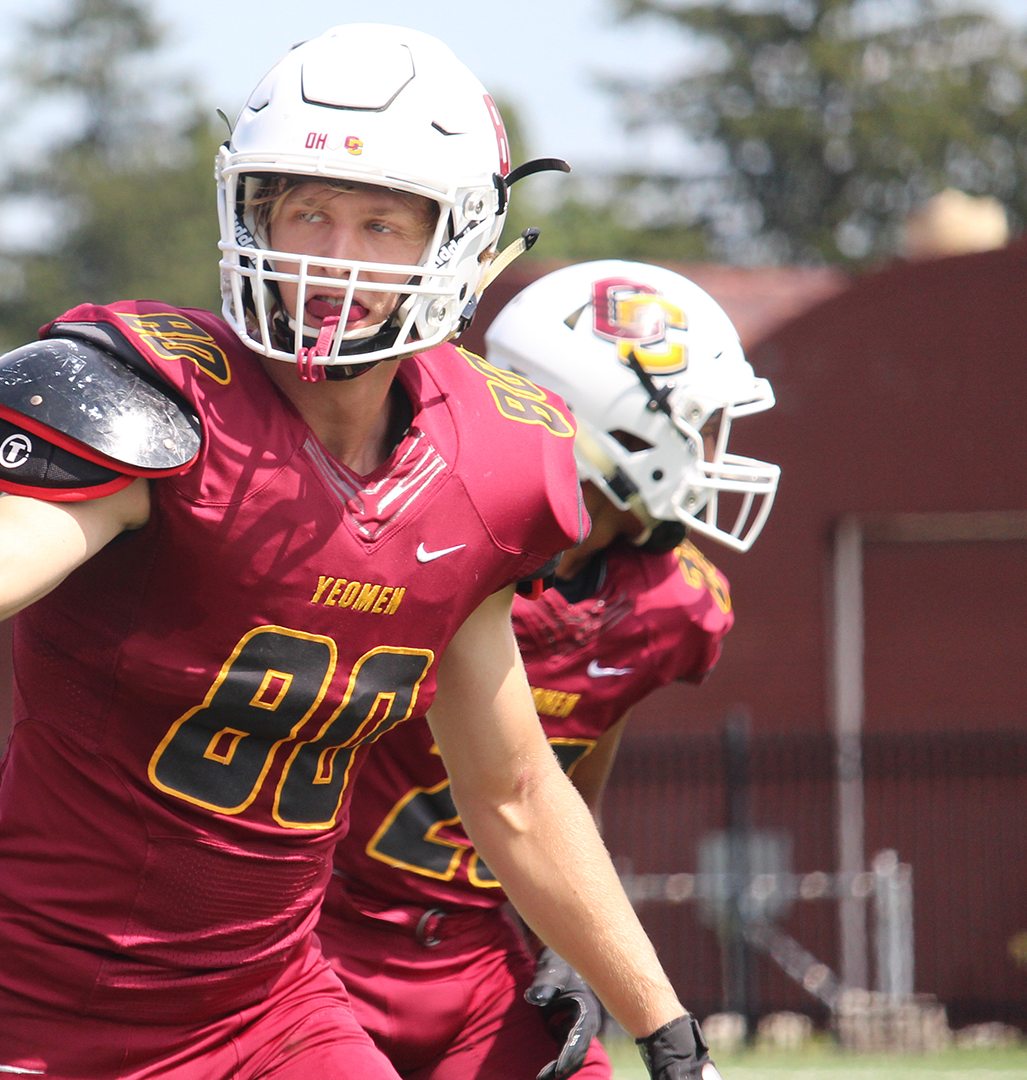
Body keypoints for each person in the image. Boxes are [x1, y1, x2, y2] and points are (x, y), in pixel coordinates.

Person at [0, 28, 716, 1080]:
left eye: (380, 222)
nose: (334, 251)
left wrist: (667, 1027)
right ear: (251, 210)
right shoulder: (168, 399)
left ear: (456, 244)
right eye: (308, 210)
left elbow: (513, 790)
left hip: (268, 1008)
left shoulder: (486, 462)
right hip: (41, 997)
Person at [318, 260, 780, 1080]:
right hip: (313, 950)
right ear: (618, 429)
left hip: (477, 967)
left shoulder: (667, 606)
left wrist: (564, 942)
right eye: (699, 424)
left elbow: (565, 788)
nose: (714, 454)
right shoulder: (410, 544)